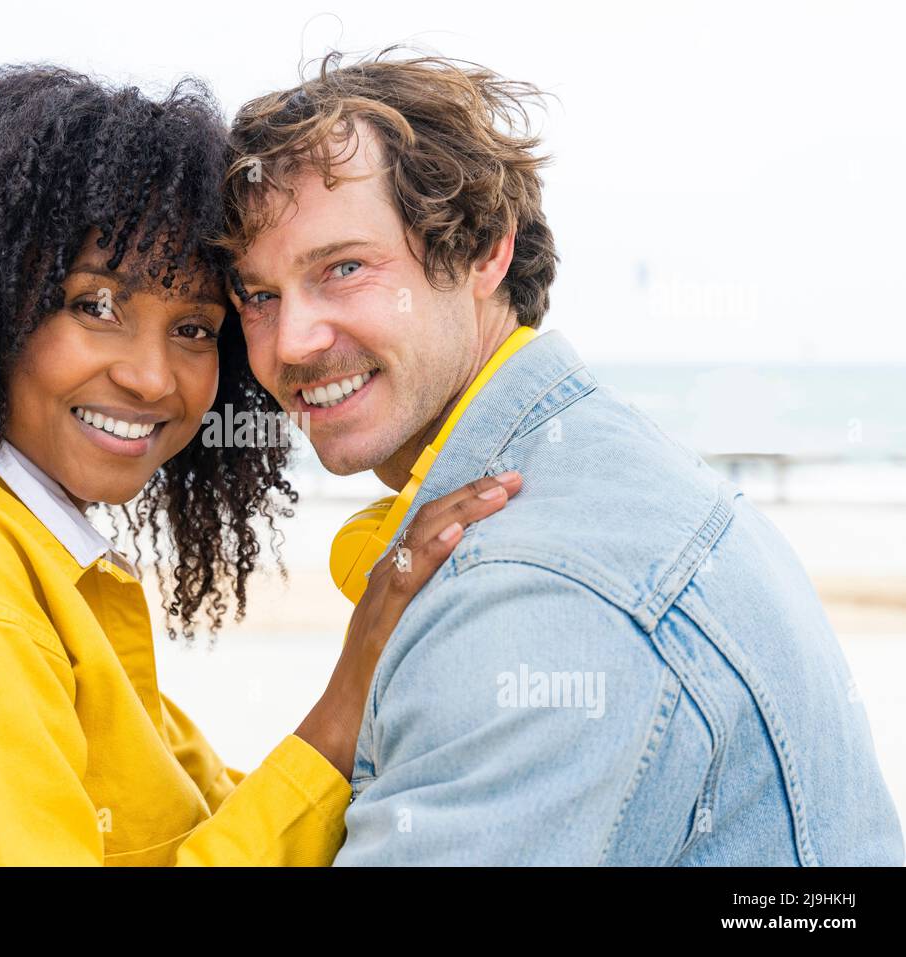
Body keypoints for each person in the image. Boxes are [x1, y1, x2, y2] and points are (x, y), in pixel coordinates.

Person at [0, 64, 522, 866]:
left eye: (193, 327)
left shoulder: (27, 551)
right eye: (94, 306)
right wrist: (342, 711)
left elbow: (208, 829)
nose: (152, 376)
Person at [220, 48, 904, 865]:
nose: (290, 341)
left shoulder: (531, 595)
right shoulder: (592, 470)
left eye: (344, 268)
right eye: (258, 295)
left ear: (483, 251)